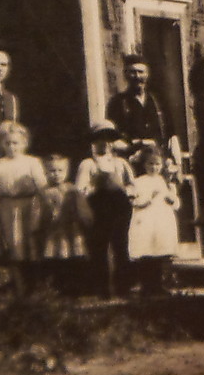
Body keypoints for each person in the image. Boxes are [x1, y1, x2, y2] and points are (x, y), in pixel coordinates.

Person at [76, 121, 135, 298]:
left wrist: (127, 193)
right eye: (100, 139)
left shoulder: (121, 163)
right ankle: (103, 290)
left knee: (121, 246)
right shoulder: (88, 164)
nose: (104, 143)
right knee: (99, 248)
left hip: (119, 207)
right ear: (93, 142)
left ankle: (123, 288)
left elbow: (132, 185)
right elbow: (80, 189)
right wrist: (93, 189)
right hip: (99, 207)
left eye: (108, 139)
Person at [0, 121, 46, 299]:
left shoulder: (32, 162)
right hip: (8, 206)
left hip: (30, 204)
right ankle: (19, 289)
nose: (12, 147)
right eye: (7, 143)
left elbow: (42, 185)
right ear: (1, 144)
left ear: (24, 143)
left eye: (16, 143)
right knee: (14, 246)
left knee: (33, 244)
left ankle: (37, 287)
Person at [106, 54, 175, 173]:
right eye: (132, 72)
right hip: (131, 165)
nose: (137, 77)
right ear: (125, 75)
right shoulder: (117, 103)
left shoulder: (158, 101)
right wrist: (135, 146)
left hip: (158, 164)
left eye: (141, 72)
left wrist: (173, 160)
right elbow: (112, 138)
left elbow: (171, 135)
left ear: (147, 74)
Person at [36, 154, 91, 297]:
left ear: (66, 171)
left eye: (60, 171)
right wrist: (38, 225)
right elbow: (38, 211)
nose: (56, 175)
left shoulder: (72, 189)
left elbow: (82, 209)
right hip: (53, 230)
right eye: (52, 171)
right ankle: (58, 286)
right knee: (56, 257)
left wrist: (84, 220)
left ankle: (74, 287)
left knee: (73, 257)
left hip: (71, 229)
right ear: (46, 172)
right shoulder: (43, 192)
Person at [127, 147, 180, 297]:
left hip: (160, 221)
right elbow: (135, 202)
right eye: (150, 164)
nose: (154, 167)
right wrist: (149, 198)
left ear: (162, 165)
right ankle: (146, 286)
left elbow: (174, 202)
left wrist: (172, 199)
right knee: (146, 254)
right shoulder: (139, 181)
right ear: (144, 165)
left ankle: (158, 285)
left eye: (157, 164)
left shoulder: (163, 180)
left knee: (159, 253)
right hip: (145, 221)